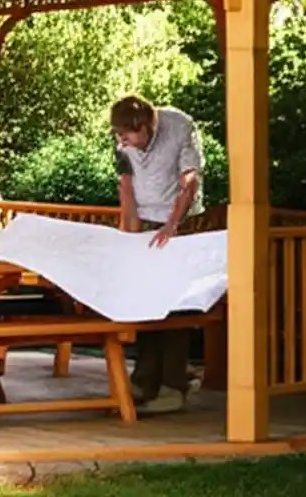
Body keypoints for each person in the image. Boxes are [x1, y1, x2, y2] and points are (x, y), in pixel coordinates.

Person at [110, 95, 205, 415]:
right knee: (147, 303)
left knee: (175, 307)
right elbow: (126, 187)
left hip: (180, 223)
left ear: (145, 126)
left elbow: (189, 183)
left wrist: (171, 226)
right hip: (146, 223)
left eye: (128, 135)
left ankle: (173, 386)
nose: (123, 142)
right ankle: (144, 380)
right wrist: (130, 237)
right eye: (118, 135)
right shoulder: (122, 137)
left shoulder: (180, 127)